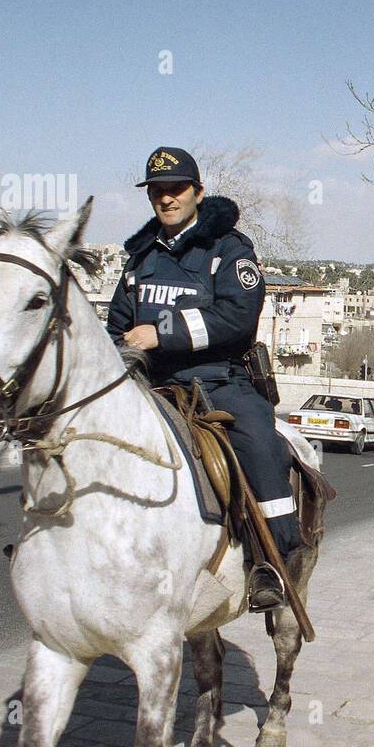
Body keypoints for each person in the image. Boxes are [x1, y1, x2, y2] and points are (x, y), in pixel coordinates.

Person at [106, 146, 298, 612]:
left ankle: (272, 562)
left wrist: (161, 332)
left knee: (260, 445)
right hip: (150, 386)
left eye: (176, 189)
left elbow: (238, 316)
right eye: (157, 191)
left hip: (218, 383)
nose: (166, 199)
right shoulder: (140, 258)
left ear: (198, 192)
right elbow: (116, 327)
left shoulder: (229, 249)